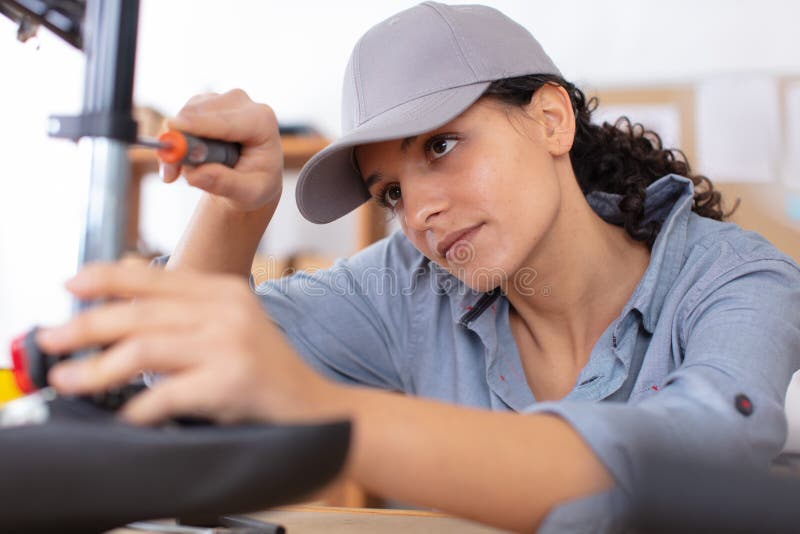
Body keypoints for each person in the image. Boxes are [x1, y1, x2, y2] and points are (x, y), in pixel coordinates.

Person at [34, 2, 800, 532]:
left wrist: (311, 405)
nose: (421, 211)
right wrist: (239, 209)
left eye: (441, 145)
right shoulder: (408, 283)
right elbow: (184, 374)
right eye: (391, 191)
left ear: (551, 119)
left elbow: (682, 471)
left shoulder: (737, 282)